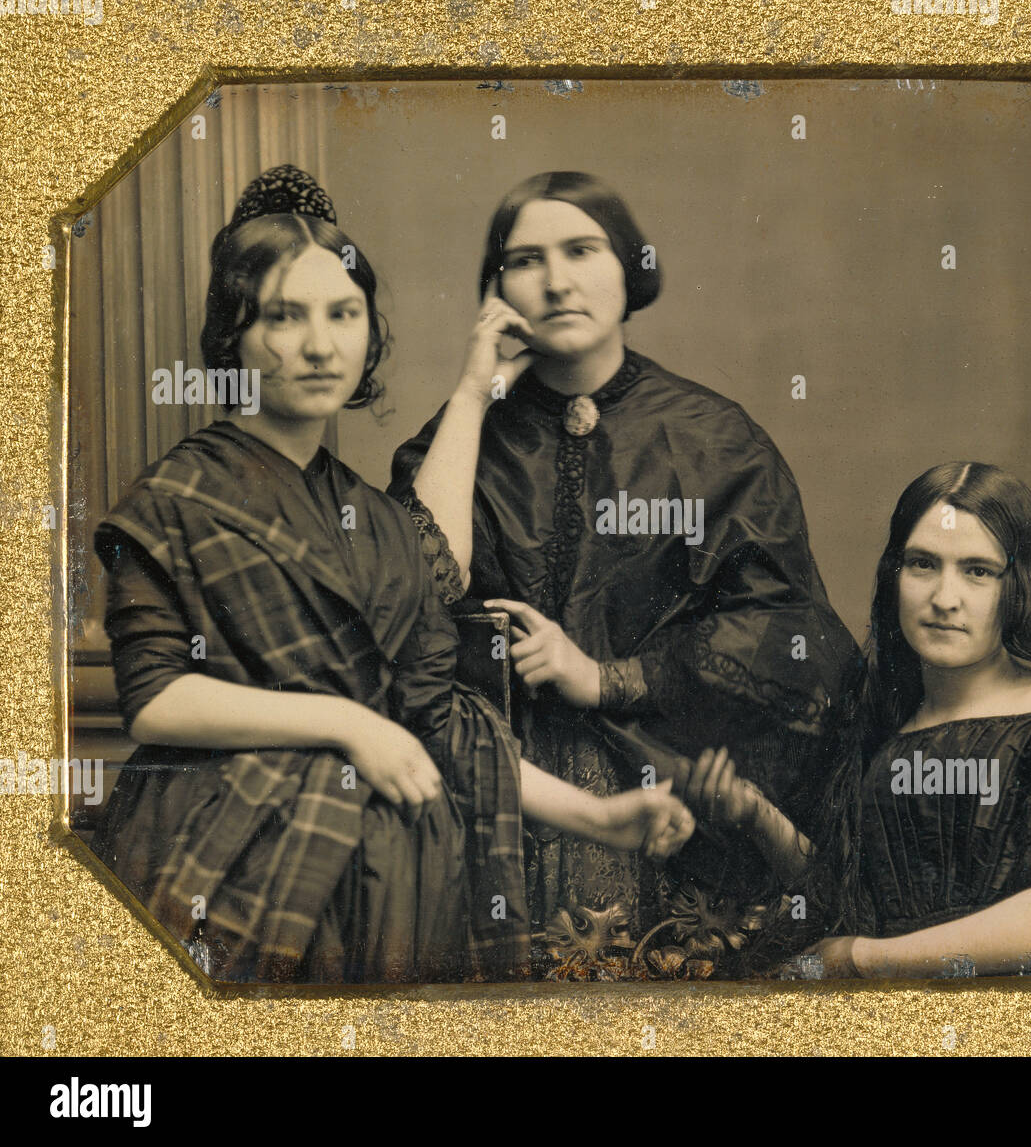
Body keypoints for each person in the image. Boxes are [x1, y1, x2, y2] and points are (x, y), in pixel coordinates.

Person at [88, 165, 693, 985]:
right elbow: (156, 702)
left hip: (393, 885)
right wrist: (347, 723)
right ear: (234, 335)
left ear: (370, 332)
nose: (319, 344)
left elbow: (442, 713)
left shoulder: (364, 517)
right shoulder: (179, 497)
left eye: (343, 313)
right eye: (284, 316)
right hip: (233, 859)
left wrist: (605, 818)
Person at [388, 171, 858, 976]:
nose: (558, 280)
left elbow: (791, 631)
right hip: (501, 784)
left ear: (629, 268)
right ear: (496, 291)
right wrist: (470, 395)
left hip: (675, 789)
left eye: (582, 249)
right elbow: (406, 595)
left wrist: (608, 678)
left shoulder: (714, 438)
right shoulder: (461, 436)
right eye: (525, 260)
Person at [680, 462, 1031, 978]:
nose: (945, 599)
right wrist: (756, 816)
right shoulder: (888, 722)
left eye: (978, 571)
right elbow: (852, 899)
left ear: (1017, 587)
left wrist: (861, 960)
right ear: (894, 575)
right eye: (923, 564)